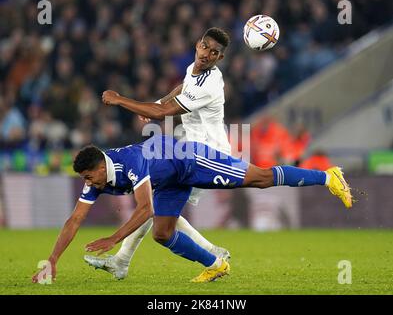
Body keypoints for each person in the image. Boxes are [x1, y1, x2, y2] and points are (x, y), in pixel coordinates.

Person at [32, 134, 352, 284]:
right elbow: (75, 219)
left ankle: (328, 177)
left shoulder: (128, 164)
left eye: (90, 177)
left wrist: (112, 239)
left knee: (261, 178)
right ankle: (216, 264)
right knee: (162, 233)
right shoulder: (97, 180)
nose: (89, 184)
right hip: (170, 178)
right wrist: (53, 260)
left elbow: (144, 208)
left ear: (101, 167)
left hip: (189, 160)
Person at [84, 27, 234, 279]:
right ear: (198, 44)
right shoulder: (195, 69)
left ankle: (210, 252)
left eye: (214, 51)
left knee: (154, 205)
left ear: (220, 58)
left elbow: (163, 114)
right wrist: (158, 101)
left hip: (208, 157)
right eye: (205, 46)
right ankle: (122, 261)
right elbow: (183, 88)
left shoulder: (209, 82)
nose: (207, 53)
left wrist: (121, 100)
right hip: (190, 150)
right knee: (156, 205)